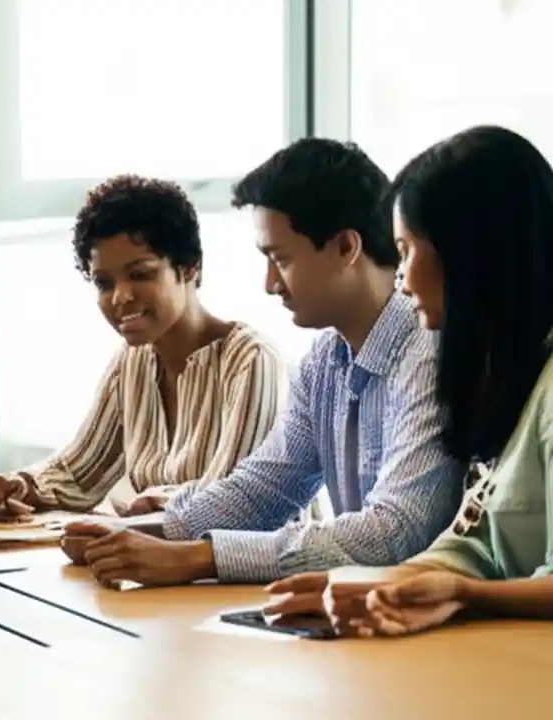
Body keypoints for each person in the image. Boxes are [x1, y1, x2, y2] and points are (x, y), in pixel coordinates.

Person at [63, 138, 462, 587]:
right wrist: (130, 535)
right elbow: (263, 490)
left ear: (347, 247)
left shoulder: (427, 350)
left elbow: (394, 532)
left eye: (281, 259)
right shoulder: (325, 362)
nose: (271, 284)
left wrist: (199, 558)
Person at [271, 126, 553, 636]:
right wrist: (380, 583)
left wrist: (463, 593)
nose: (399, 278)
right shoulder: (511, 372)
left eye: (405, 251)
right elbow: (477, 542)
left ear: (465, 255)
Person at [0, 175, 286, 517]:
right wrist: (21, 485)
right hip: (161, 564)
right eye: (104, 283)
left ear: (189, 268)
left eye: (140, 274)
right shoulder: (133, 362)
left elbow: (231, 503)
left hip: (250, 569)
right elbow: (77, 476)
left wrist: (148, 509)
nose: (120, 297)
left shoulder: (250, 361)